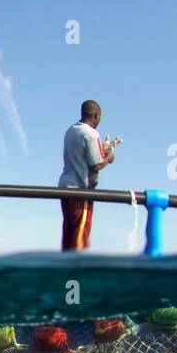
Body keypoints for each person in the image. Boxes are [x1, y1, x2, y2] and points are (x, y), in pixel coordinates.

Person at [58, 100, 115, 251]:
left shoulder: (71, 130)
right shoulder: (91, 134)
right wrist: (108, 157)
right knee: (79, 237)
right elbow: (96, 164)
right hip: (80, 191)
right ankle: (76, 270)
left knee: (68, 234)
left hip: (64, 188)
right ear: (96, 115)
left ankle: (65, 269)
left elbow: (80, 157)